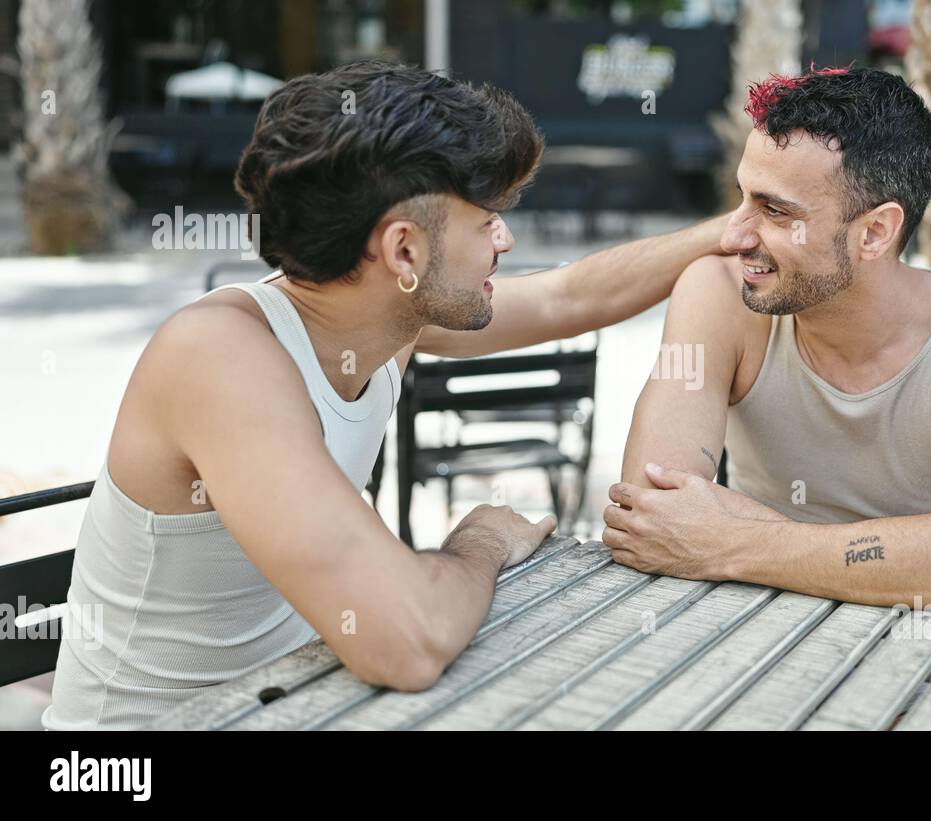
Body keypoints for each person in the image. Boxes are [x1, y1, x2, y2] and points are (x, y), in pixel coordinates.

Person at [42, 60, 727, 729]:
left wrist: (729, 232)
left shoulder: (384, 320)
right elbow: (407, 638)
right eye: (487, 217)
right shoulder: (218, 356)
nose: (507, 238)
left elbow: (570, 293)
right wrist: (481, 540)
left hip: (304, 700)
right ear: (404, 251)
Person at [607, 67, 931, 617]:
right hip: (746, 637)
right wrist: (917, 560)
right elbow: (651, 514)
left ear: (874, 233)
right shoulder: (718, 293)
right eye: (743, 198)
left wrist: (730, 541)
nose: (733, 237)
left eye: (775, 211)